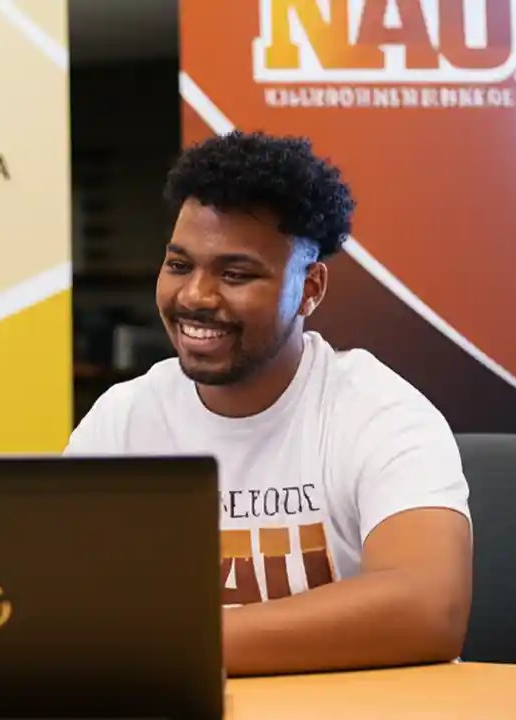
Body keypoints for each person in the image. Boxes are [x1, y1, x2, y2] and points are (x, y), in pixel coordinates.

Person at [65, 131, 472, 676]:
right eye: (180, 265)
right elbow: (54, 598)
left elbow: (428, 607)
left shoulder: (380, 412)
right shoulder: (125, 417)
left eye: (235, 274)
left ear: (311, 288)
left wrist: (172, 644)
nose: (195, 297)